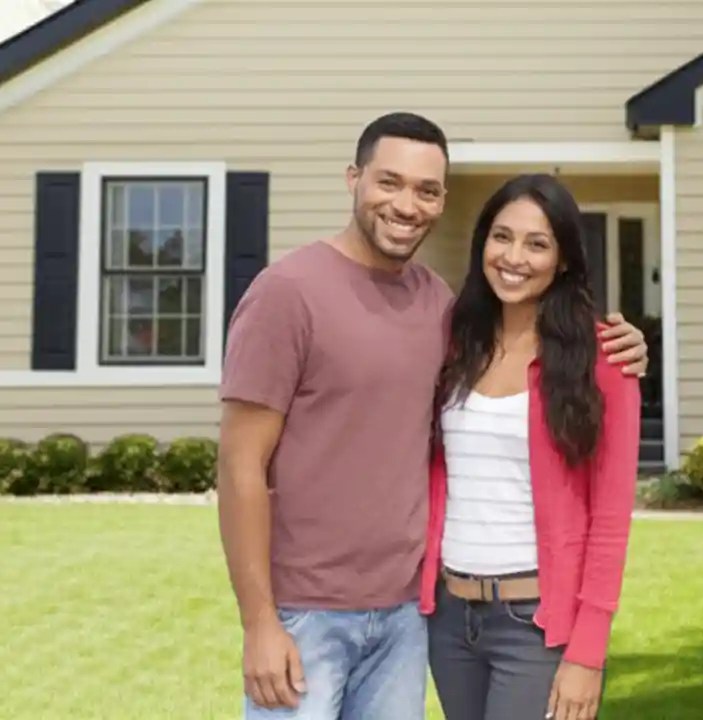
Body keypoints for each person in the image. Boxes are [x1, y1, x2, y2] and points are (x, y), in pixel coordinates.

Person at [216, 113, 649, 720]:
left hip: (419, 618)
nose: (406, 205)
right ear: (353, 179)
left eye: (426, 190)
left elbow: (606, 514)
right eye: (389, 182)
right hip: (322, 616)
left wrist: (589, 652)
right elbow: (239, 465)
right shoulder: (295, 294)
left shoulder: (443, 311)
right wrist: (259, 621)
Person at [419, 173, 641, 720]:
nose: (514, 257)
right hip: (449, 619)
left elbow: (610, 520)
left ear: (562, 260)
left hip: (536, 625)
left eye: (537, 244)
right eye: (502, 236)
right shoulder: (453, 342)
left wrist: (587, 653)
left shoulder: (604, 361)